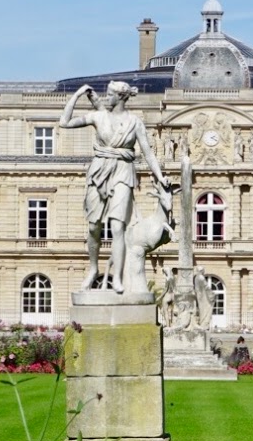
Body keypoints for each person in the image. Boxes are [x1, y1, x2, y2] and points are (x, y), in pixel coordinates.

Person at [59, 80, 171, 293]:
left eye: (110, 94)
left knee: (117, 227)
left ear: (120, 96)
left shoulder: (135, 122)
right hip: (99, 172)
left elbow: (148, 153)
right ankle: (93, 269)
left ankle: (117, 277)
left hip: (123, 172)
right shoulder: (97, 117)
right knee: (94, 227)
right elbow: (64, 122)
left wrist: (160, 176)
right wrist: (77, 94)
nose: (106, 97)